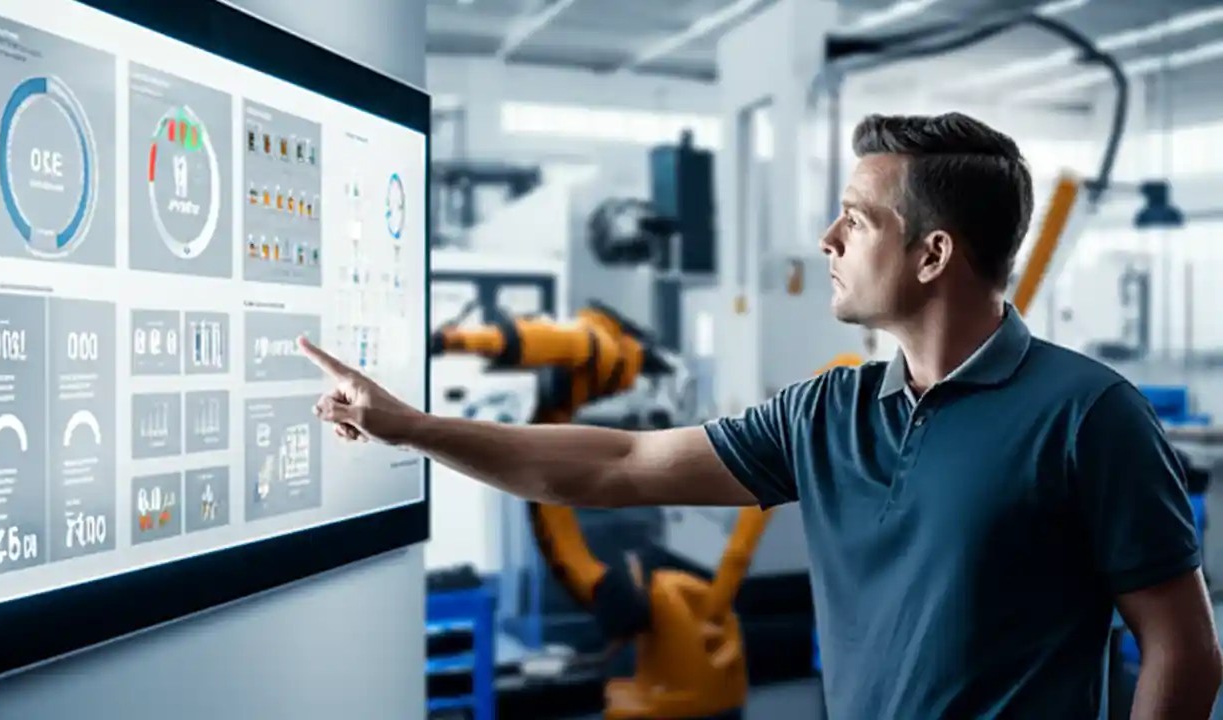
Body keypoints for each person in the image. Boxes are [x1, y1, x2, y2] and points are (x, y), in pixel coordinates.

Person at [300, 112, 1222, 718]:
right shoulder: (829, 411)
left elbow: (1183, 648)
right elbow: (617, 466)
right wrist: (411, 428)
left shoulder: (1088, 414)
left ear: (933, 253)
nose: (824, 241)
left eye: (854, 221)